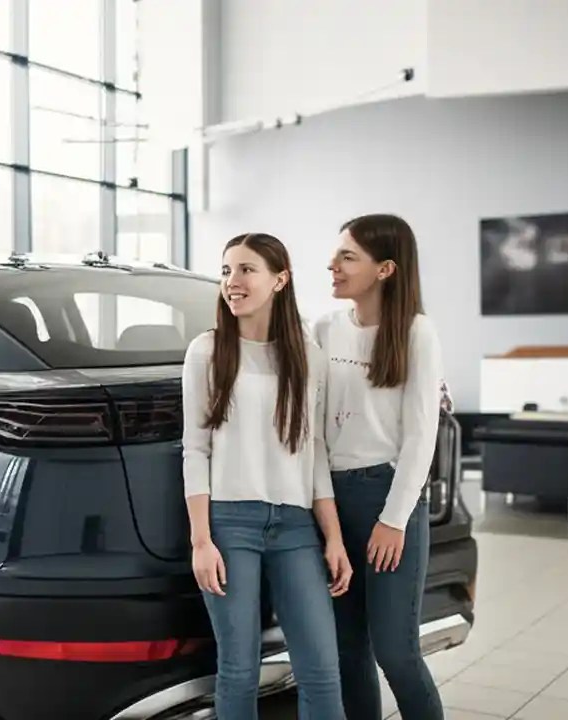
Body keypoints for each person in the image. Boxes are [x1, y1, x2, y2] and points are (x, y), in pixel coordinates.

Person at [183, 233, 352, 719]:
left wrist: (334, 538)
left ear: (280, 279)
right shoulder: (207, 350)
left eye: (246, 269)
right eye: (226, 271)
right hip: (229, 525)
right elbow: (195, 449)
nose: (232, 281)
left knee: (322, 670)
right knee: (238, 670)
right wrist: (201, 541)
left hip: (296, 527)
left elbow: (313, 452)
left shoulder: (308, 357)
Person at [315, 213, 446, 720]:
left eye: (347, 256)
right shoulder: (323, 329)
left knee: (396, 651)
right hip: (331, 502)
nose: (332, 265)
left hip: (388, 498)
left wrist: (393, 520)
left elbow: (421, 436)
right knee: (348, 651)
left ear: (385, 269)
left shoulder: (416, 333)